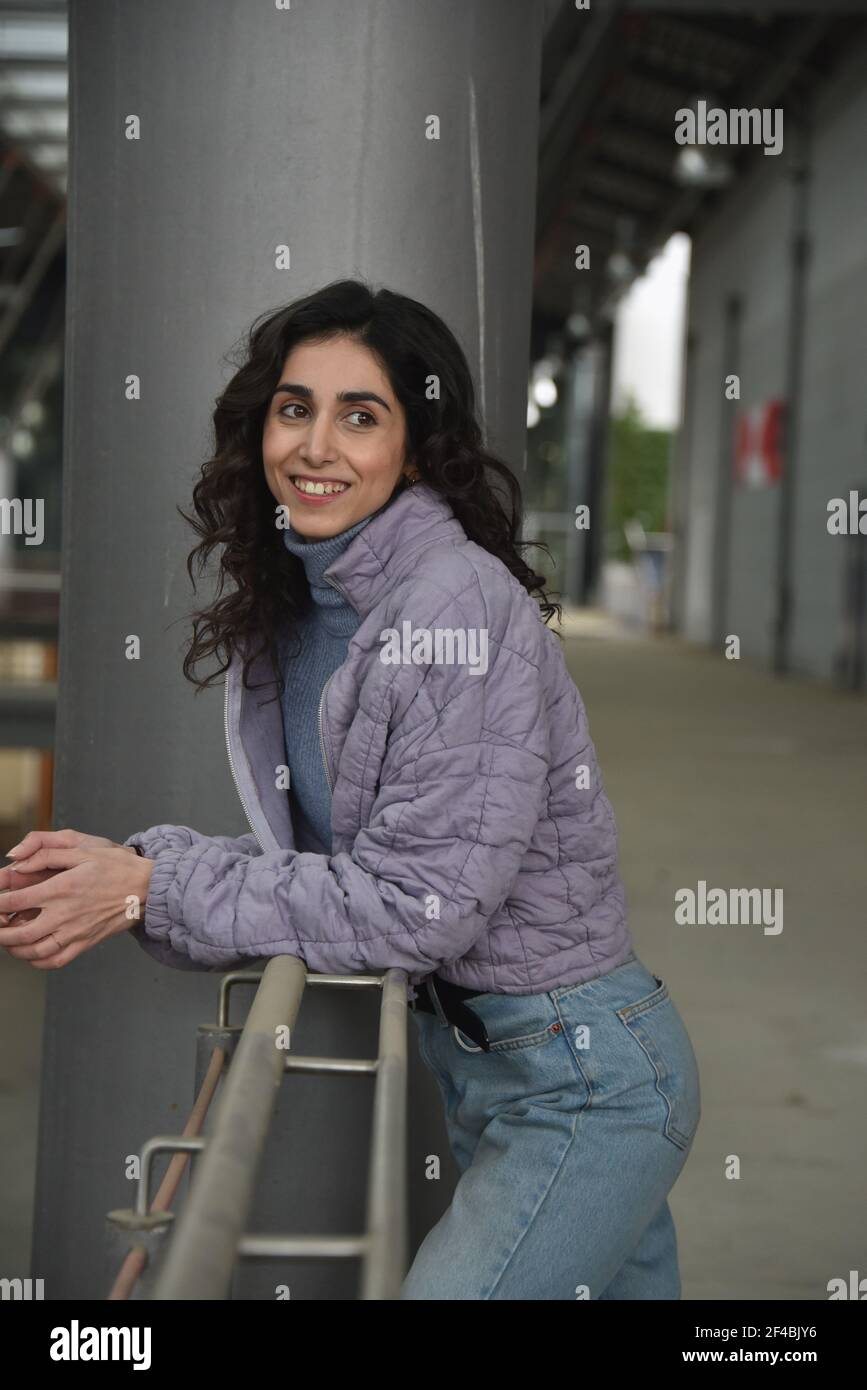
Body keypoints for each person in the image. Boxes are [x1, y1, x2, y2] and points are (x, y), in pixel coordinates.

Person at [0, 278, 700, 1299]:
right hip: (495, 1072)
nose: (316, 445)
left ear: (415, 445)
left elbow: (414, 904)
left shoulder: (456, 609)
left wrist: (150, 887)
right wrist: (144, 866)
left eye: (359, 415)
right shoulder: (310, 603)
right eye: (295, 408)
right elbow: (341, 870)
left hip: (584, 1084)